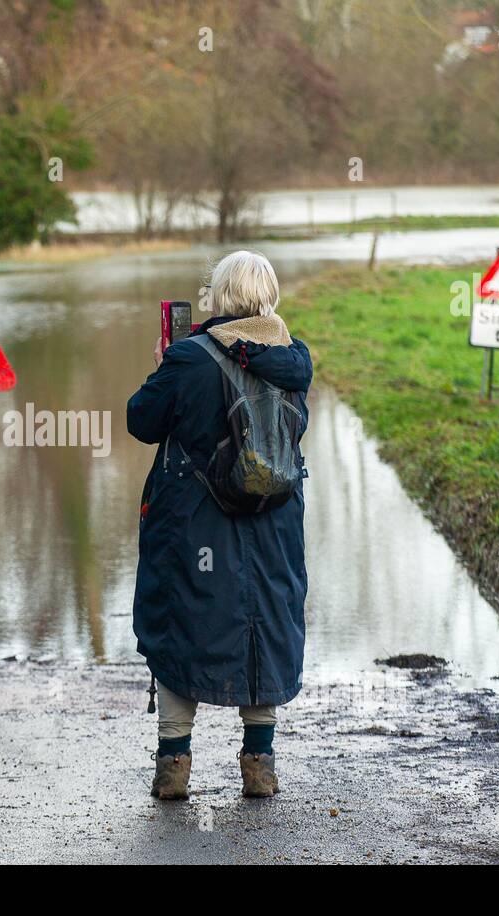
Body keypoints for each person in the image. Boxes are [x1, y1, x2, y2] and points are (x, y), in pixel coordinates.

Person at [127, 250, 312, 799]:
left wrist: (164, 361)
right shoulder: (295, 361)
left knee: (185, 619)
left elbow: (142, 420)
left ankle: (174, 766)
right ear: (270, 296)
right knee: (262, 624)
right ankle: (260, 764)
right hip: (275, 525)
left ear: (219, 298)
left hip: (196, 523)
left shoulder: (188, 358)